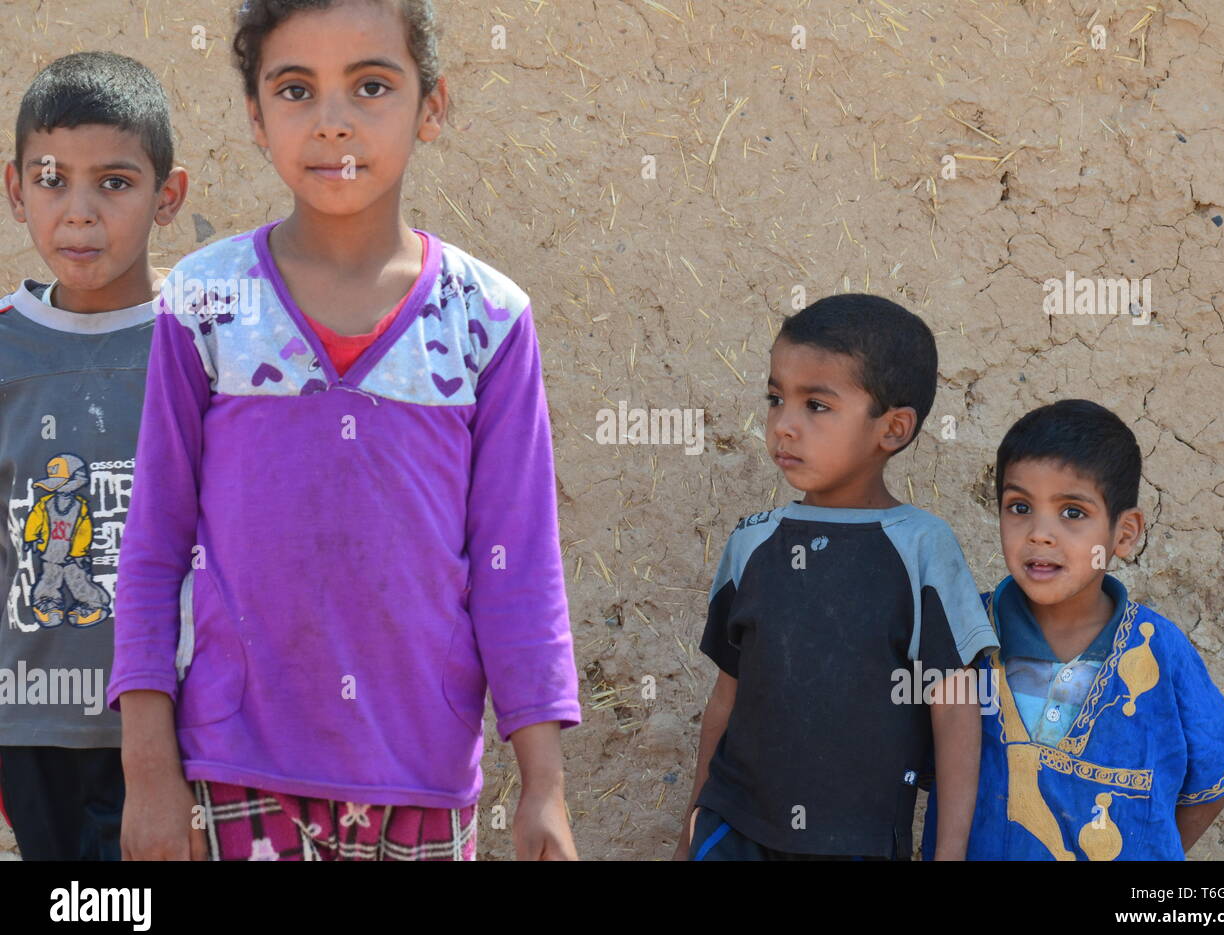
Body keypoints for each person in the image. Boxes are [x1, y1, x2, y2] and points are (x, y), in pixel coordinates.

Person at [109, 0, 580, 862]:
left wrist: (544, 784)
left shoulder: (488, 320)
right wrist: (147, 771)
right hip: (231, 767)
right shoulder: (207, 303)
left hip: (422, 778)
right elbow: (152, 545)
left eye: (370, 85)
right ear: (256, 116)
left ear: (431, 106)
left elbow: (520, 566)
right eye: (296, 89)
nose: (333, 121)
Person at [675, 294, 997, 860]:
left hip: (857, 843)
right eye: (776, 399)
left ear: (892, 429)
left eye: (816, 405)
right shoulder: (753, 541)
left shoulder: (921, 547)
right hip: (735, 829)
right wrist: (692, 829)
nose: (785, 426)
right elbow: (727, 695)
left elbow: (955, 709)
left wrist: (947, 855)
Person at [921, 399, 1224, 860]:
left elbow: (1214, 779)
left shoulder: (1157, 649)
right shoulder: (966, 638)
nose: (1040, 533)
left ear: (1124, 533)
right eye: (1019, 506)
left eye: (1072, 513)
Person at [0, 51, 188, 860]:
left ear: (167, 196)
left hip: (172, 732)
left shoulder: (197, 345)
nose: (79, 214)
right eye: (51, 180)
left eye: (113, 182)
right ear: (14, 189)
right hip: (26, 724)